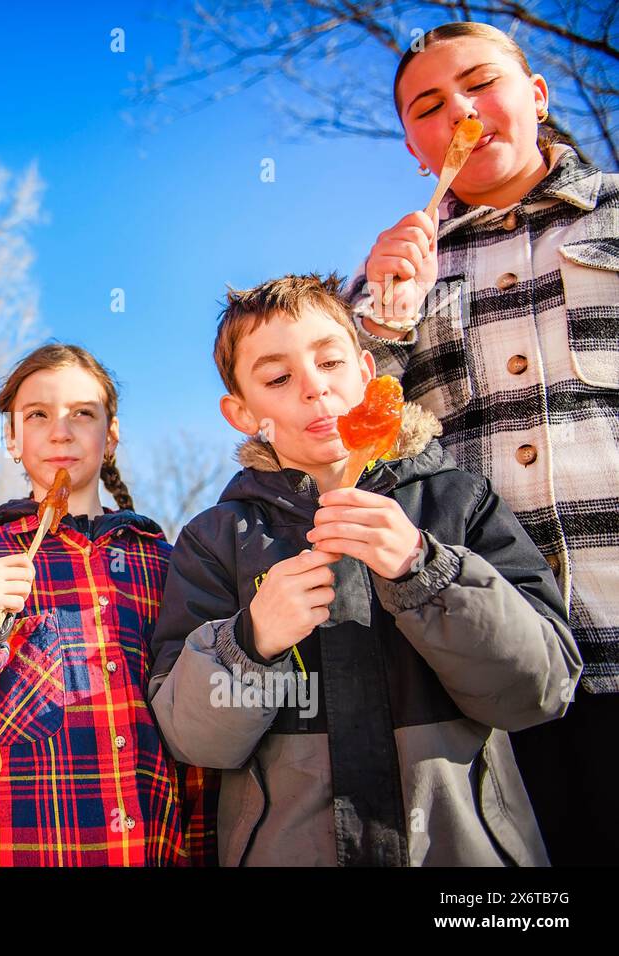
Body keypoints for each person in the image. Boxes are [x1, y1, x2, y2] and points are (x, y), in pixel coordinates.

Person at [149, 274, 580, 866]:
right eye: (278, 378)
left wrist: (426, 573)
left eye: (330, 362)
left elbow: (539, 689)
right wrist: (251, 643)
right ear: (242, 413)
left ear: (367, 373)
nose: (315, 390)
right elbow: (195, 739)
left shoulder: (458, 502)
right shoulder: (216, 540)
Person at [347, 21, 619, 864]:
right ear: (415, 147)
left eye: (481, 84)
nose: (462, 110)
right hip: (491, 665)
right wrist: (384, 321)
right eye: (430, 106)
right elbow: (356, 456)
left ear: (535, 97)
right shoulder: (377, 284)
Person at [0, 343, 214, 866]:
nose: (60, 431)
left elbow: (195, 741)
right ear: (13, 440)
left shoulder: (165, 564)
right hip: (6, 845)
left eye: (82, 414)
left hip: (147, 844)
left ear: (109, 437)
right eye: (37, 415)